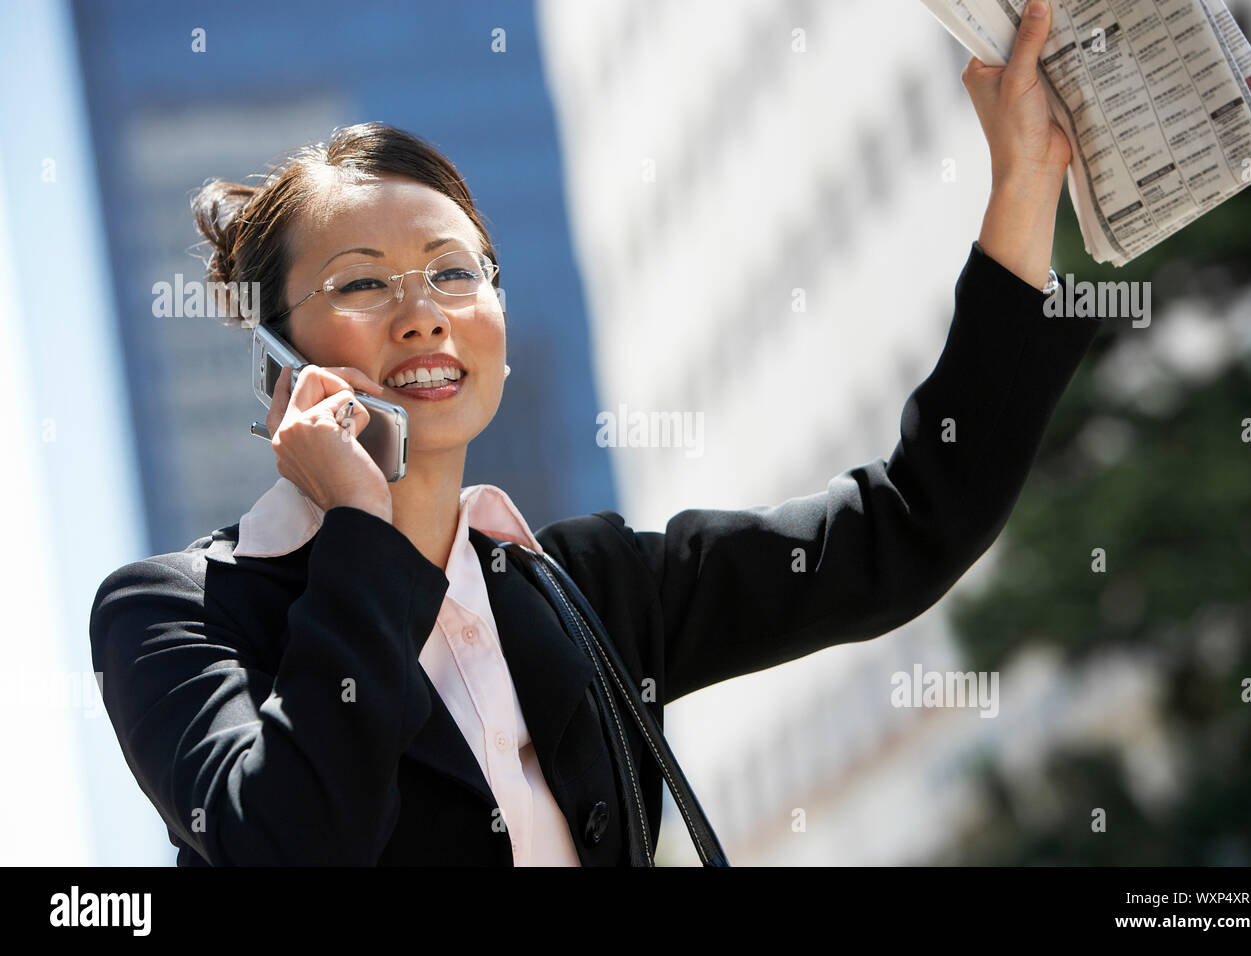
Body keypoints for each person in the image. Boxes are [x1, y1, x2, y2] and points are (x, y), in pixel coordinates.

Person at [89, 2, 1099, 866]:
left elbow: (903, 529)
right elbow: (290, 842)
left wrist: (1022, 184)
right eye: (359, 282)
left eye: (454, 270)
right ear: (280, 359)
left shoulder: (581, 585)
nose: (425, 311)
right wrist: (361, 527)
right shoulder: (177, 611)